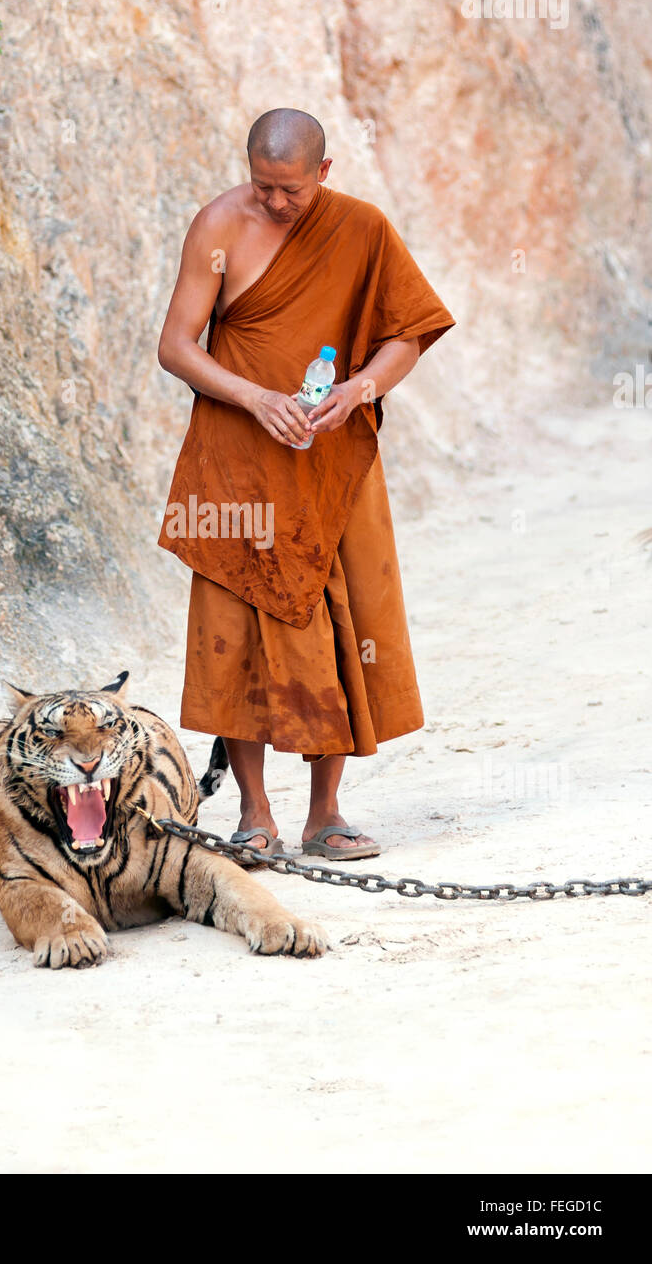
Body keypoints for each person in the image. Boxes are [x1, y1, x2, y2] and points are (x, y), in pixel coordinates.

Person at [156, 108, 455, 858]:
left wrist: (357, 390)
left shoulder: (361, 229)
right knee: (236, 629)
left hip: (330, 455)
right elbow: (175, 345)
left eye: (290, 188)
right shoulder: (219, 226)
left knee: (337, 620)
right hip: (236, 456)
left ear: (322, 172)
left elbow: (406, 333)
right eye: (263, 186)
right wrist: (254, 397)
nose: (275, 202)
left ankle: (325, 813)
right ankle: (254, 813)